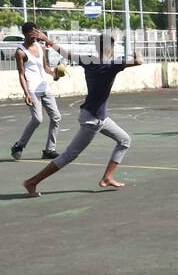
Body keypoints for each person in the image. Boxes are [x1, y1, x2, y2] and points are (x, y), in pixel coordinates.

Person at [22, 32, 140, 196]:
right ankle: (31, 182)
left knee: (124, 139)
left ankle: (107, 177)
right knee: (69, 156)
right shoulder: (112, 64)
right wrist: (135, 53)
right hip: (93, 120)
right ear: (110, 49)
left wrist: (48, 40)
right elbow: (138, 61)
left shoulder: (88, 61)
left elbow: (65, 53)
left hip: (98, 117)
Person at [10, 22, 61, 161]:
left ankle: (49, 150)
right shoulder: (20, 51)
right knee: (37, 119)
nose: (35, 36)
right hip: (32, 89)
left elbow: (46, 67)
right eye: (32, 34)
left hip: (45, 88)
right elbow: (21, 74)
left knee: (56, 117)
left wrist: (54, 74)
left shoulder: (40, 47)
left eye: (36, 33)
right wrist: (26, 93)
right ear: (25, 34)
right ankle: (19, 145)